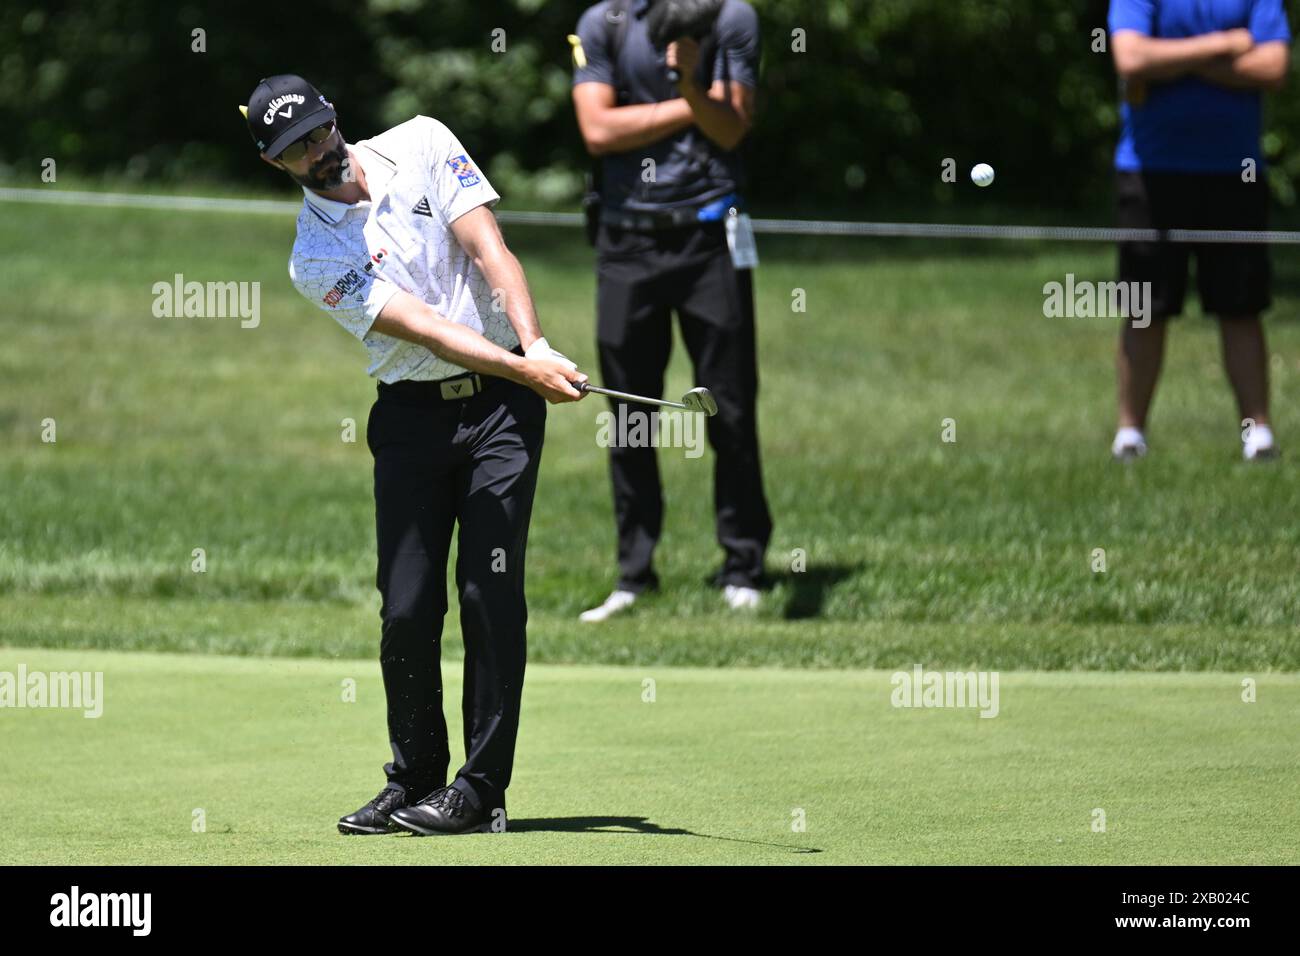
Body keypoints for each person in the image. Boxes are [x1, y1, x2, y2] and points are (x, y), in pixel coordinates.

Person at [240, 74, 587, 835]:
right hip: (409, 420)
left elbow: (488, 245)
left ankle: (481, 789)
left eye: (319, 131)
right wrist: (526, 368)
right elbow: (424, 328)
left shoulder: (424, 141)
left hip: (501, 409)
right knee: (406, 607)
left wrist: (533, 348)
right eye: (295, 149)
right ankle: (416, 777)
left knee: (487, 593)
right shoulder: (313, 256)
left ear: (335, 115)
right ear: (277, 164)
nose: (316, 151)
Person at [571, 0, 772, 622]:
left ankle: (743, 566)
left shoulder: (732, 17)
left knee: (730, 406)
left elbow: (733, 130)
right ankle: (634, 576)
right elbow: (598, 132)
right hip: (625, 243)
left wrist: (688, 80)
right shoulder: (601, 23)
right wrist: (695, 104)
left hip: (710, 238)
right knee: (631, 414)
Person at [1108, 0, 1290, 461]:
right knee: (1145, 308)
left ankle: (1257, 434)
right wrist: (1224, 47)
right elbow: (1130, 59)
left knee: (1241, 305)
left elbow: (1273, 66)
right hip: (1150, 171)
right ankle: (1130, 434)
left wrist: (1171, 62)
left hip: (1236, 172)